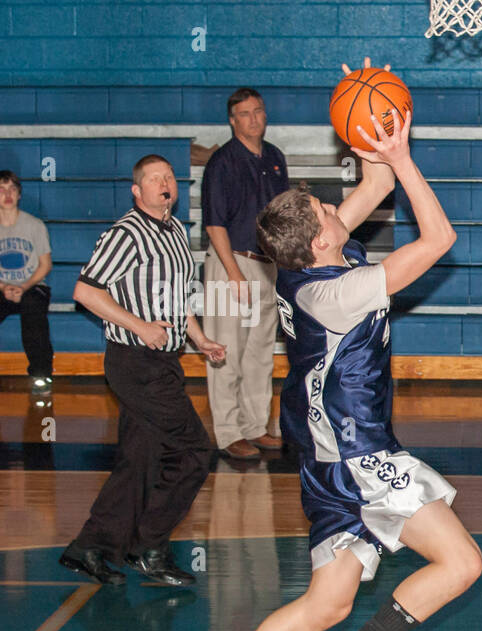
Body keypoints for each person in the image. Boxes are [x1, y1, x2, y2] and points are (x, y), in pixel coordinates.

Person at [169, 99, 480, 631]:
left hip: (322, 459)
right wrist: (403, 158)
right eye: (326, 211)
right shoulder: (338, 293)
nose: (339, 209)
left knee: (328, 602)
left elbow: (373, 186)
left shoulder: (301, 263)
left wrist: (371, 127)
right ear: (319, 242)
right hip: (360, 455)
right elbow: (439, 239)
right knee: (461, 564)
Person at [59, 155, 226, 587]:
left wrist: (200, 339)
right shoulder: (126, 234)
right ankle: (148, 547)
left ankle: (90, 547)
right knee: (195, 452)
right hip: (135, 361)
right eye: (154, 179)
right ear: (137, 191)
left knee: (140, 460)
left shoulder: (175, 231)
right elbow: (85, 292)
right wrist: (140, 326)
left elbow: (178, 299)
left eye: (169, 176)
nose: (164, 182)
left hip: (163, 361)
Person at [201, 87, 290, 459]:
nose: (254, 119)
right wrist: (234, 273)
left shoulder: (275, 157)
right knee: (226, 350)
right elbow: (214, 224)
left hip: (267, 265)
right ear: (232, 121)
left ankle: (255, 426)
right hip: (231, 263)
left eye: (258, 111)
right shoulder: (222, 162)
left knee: (259, 353)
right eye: (245, 113)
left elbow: (282, 218)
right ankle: (228, 431)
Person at [0, 170, 55, 394]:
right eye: (2, 190)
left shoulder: (34, 225)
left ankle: (41, 376)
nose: (7, 195)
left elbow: (45, 265)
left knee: (34, 315)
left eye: (12, 189)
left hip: (33, 286)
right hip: (2, 287)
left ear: (19, 194)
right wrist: (4, 287)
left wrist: (22, 287)